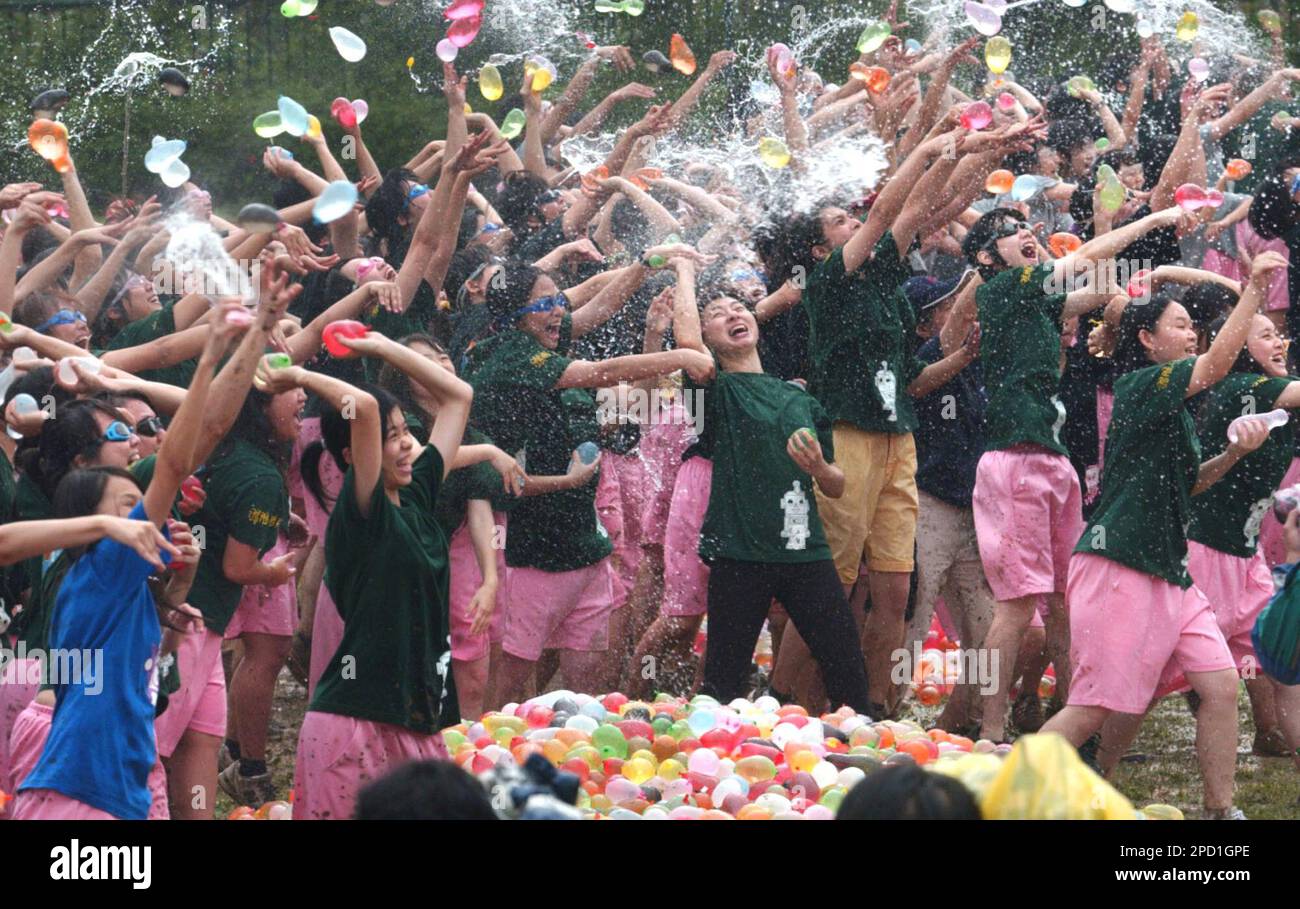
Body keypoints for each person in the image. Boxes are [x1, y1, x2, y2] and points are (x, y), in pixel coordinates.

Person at [1041, 252, 1288, 819]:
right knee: (1093, 708)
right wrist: (1253, 290)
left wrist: (1234, 452)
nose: (1192, 333)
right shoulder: (1139, 384)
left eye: (1193, 326)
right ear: (1148, 340)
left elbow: (1192, 485)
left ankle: (1219, 815)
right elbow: (1215, 368)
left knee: (1222, 687)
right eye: (1181, 325)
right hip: (1119, 565)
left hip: (1169, 574)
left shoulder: (1173, 409)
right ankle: (1000, 793)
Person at [8, 310, 231, 819]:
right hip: (81, 794)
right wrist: (210, 358)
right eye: (126, 508)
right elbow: (178, 459)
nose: (141, 517)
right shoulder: (107, 563)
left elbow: (157, 628)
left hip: (108, 789)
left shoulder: (113, 576)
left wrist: (183, 574)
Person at [277, 329, 474, 821]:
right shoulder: (361, 514)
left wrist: (381, 344)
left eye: (406, 430)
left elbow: (458, 397)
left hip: (416, 720)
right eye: (391, 438)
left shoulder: (417, 495)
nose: (407, 445)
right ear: (352, 456)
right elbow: (361, 407)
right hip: (354, 721)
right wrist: (296, 373)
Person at [668, 255, 872, 711]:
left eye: (738, 308)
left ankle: (862, 753)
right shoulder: (716, 389)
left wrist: (820, 467)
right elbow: (685, 343)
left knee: (847, 669)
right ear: (707, 340)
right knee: (723, 683)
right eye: (717, 315)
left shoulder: (798, 397)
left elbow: (836, 486)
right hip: (739, 553)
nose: (733, 314)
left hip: (805, 551)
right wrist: (684, 271)